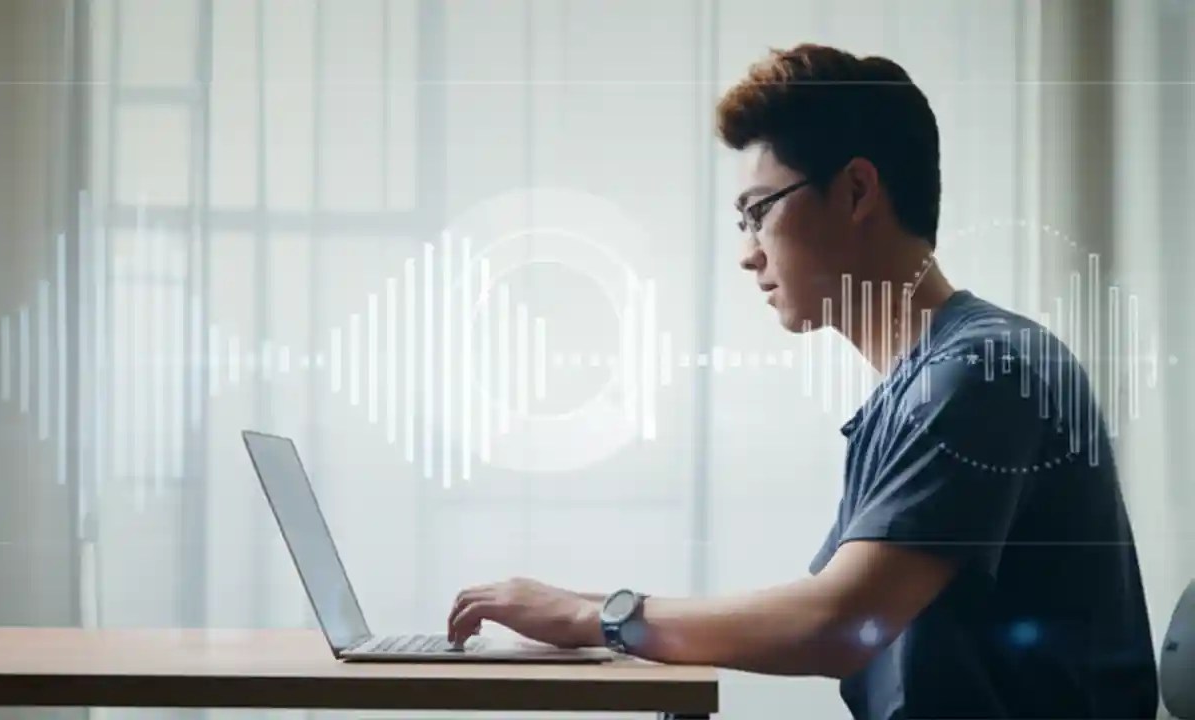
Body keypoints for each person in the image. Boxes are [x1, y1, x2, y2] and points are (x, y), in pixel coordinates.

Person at [446, 44, 1159, 720]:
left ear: (855, 191)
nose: (747, 253)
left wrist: (592, 618)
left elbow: (839, 625)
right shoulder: (925, 382)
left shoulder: (982, 374)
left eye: (758, 212)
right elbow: (822, 604)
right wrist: (583, 607)